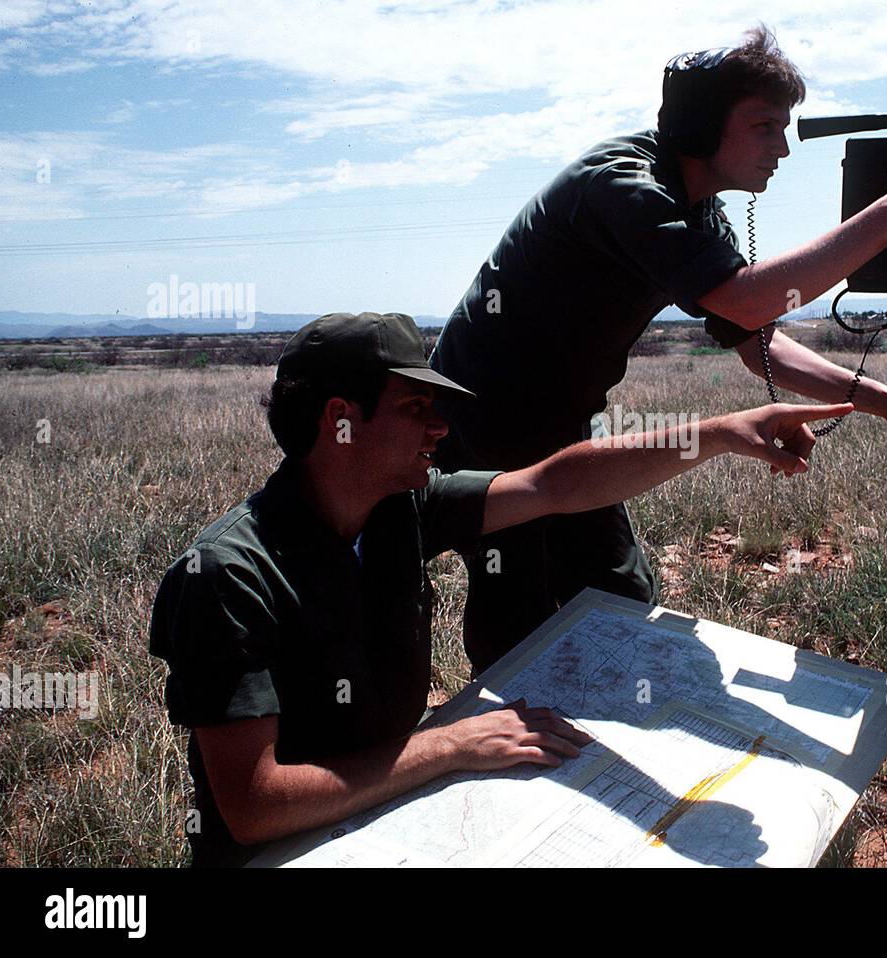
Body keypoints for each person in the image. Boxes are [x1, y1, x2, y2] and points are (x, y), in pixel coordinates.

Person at [149, 310, 850, 866]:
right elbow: (254, 807)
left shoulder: (400, 510)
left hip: (381, 818)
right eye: (415, 407)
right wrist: (447, 744)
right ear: (341, 420)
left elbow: (553, 483)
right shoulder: (229, 576)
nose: (441, 427)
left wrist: (722, 433)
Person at [428, 25, 887, 673]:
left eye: (785, 128)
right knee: (519, 620)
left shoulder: (699, 209)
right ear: (698, 124)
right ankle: (500, 752)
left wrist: (883, 401)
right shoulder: (626, 185)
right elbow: (749, 300)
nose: (781, 148)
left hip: (564, 421)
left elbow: (757, 342)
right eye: (765, 126)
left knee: (617, 599)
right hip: (485, 416)